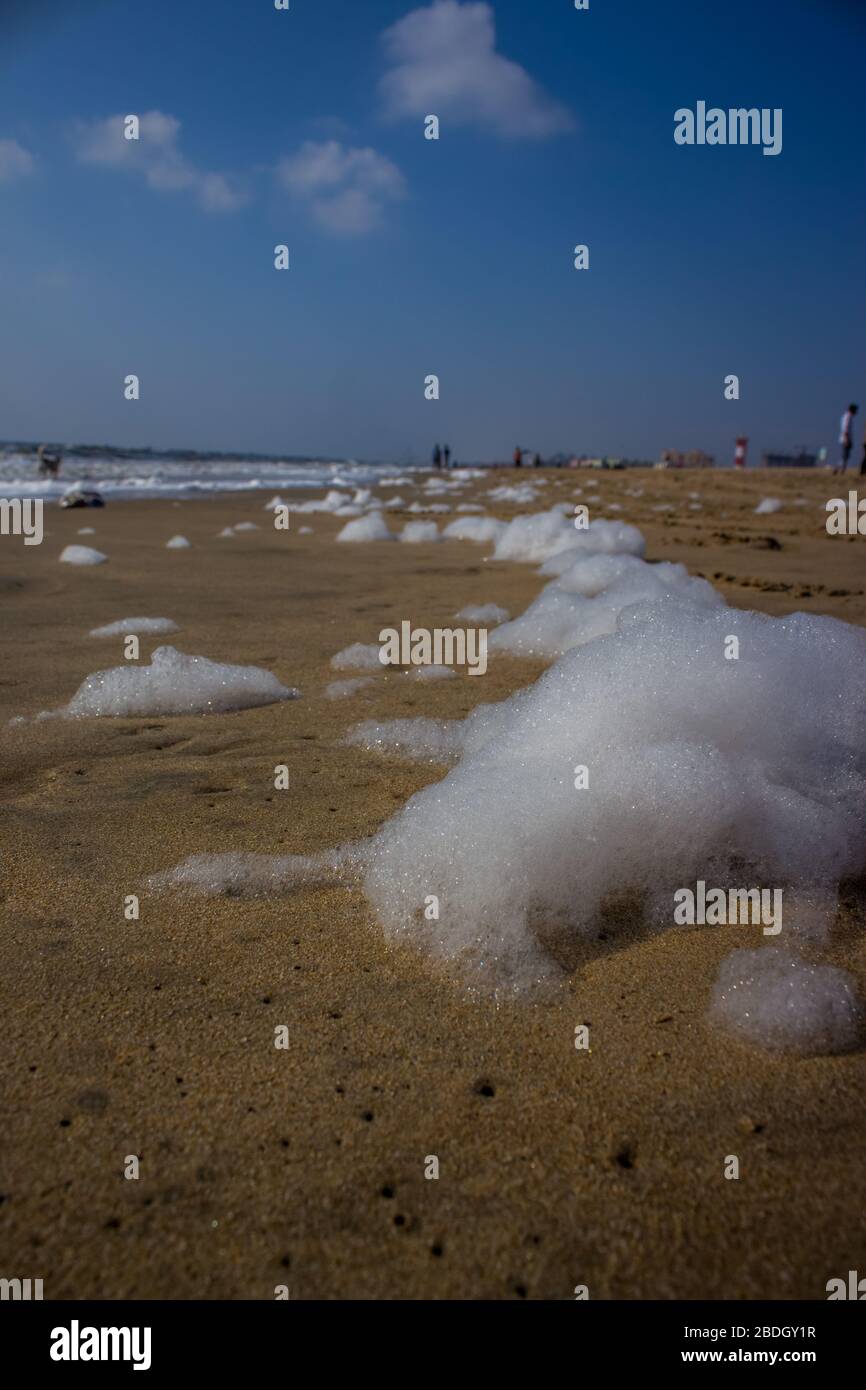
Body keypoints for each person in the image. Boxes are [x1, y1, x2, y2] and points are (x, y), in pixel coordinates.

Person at [836, 403, 858, 474]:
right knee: (845, 456)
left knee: (845, 456)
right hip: (846, 439)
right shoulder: (848, 417)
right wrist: (847, 440)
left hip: (846, 438)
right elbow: (845, 429)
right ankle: (841, 469)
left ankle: (840, 469)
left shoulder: (847, 416)